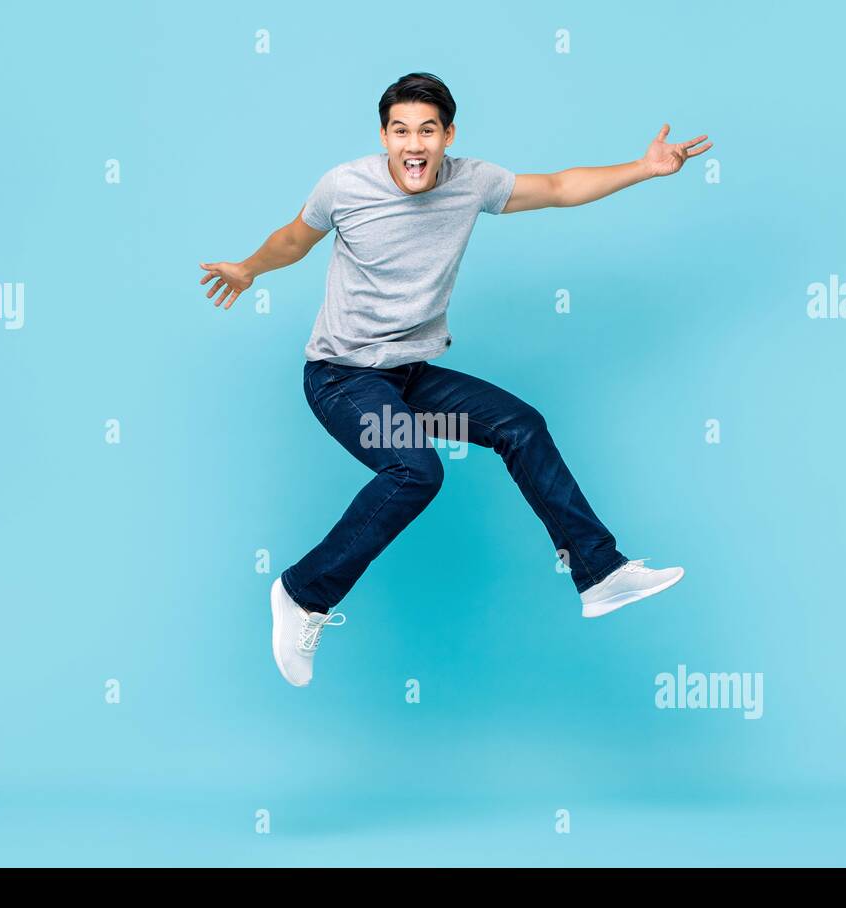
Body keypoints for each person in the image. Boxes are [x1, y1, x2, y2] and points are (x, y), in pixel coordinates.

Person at [199, 72, 712, 687]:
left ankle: (599, 574)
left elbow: (557, 187)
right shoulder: (345, 186)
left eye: (427, 131)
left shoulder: (473, 182)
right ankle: (304, 592)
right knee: (415, 470)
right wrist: (249, 268)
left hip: (407, 378)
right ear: (384, 136)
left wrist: (643, 168)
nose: (413, 144)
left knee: (521, 426)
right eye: (400, 131)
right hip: (341, 380)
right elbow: (292, 238)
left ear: (448, 136)